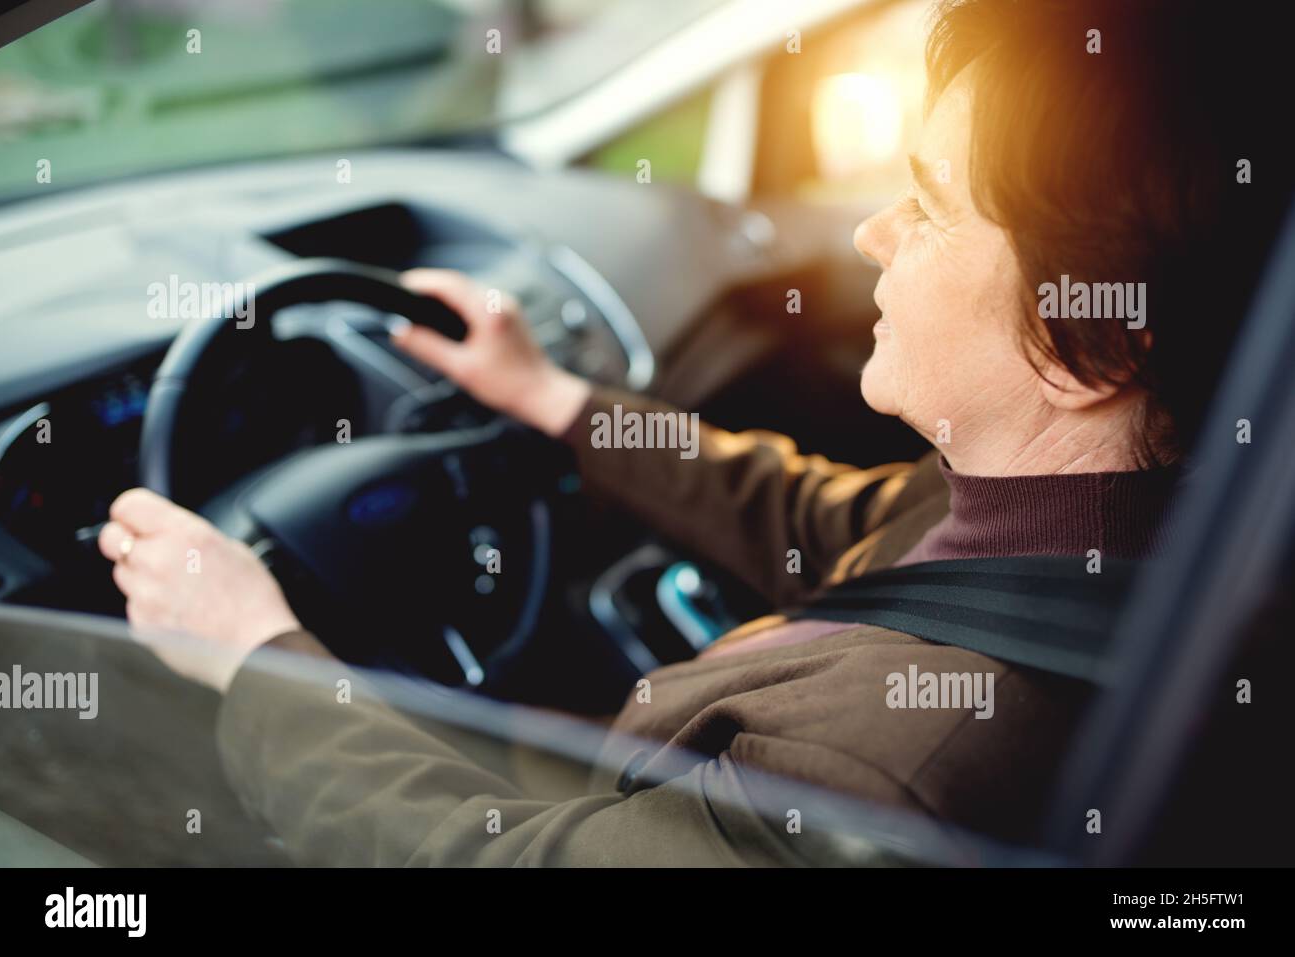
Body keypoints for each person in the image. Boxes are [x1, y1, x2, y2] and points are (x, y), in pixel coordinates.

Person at [96, 0, 1292, 864]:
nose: (873, 234)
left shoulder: (877, 773)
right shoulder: (1119, 519)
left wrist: (257, 658)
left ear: (1089, 345)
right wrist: (554, 399)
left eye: (928, 210)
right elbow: (815, 516)